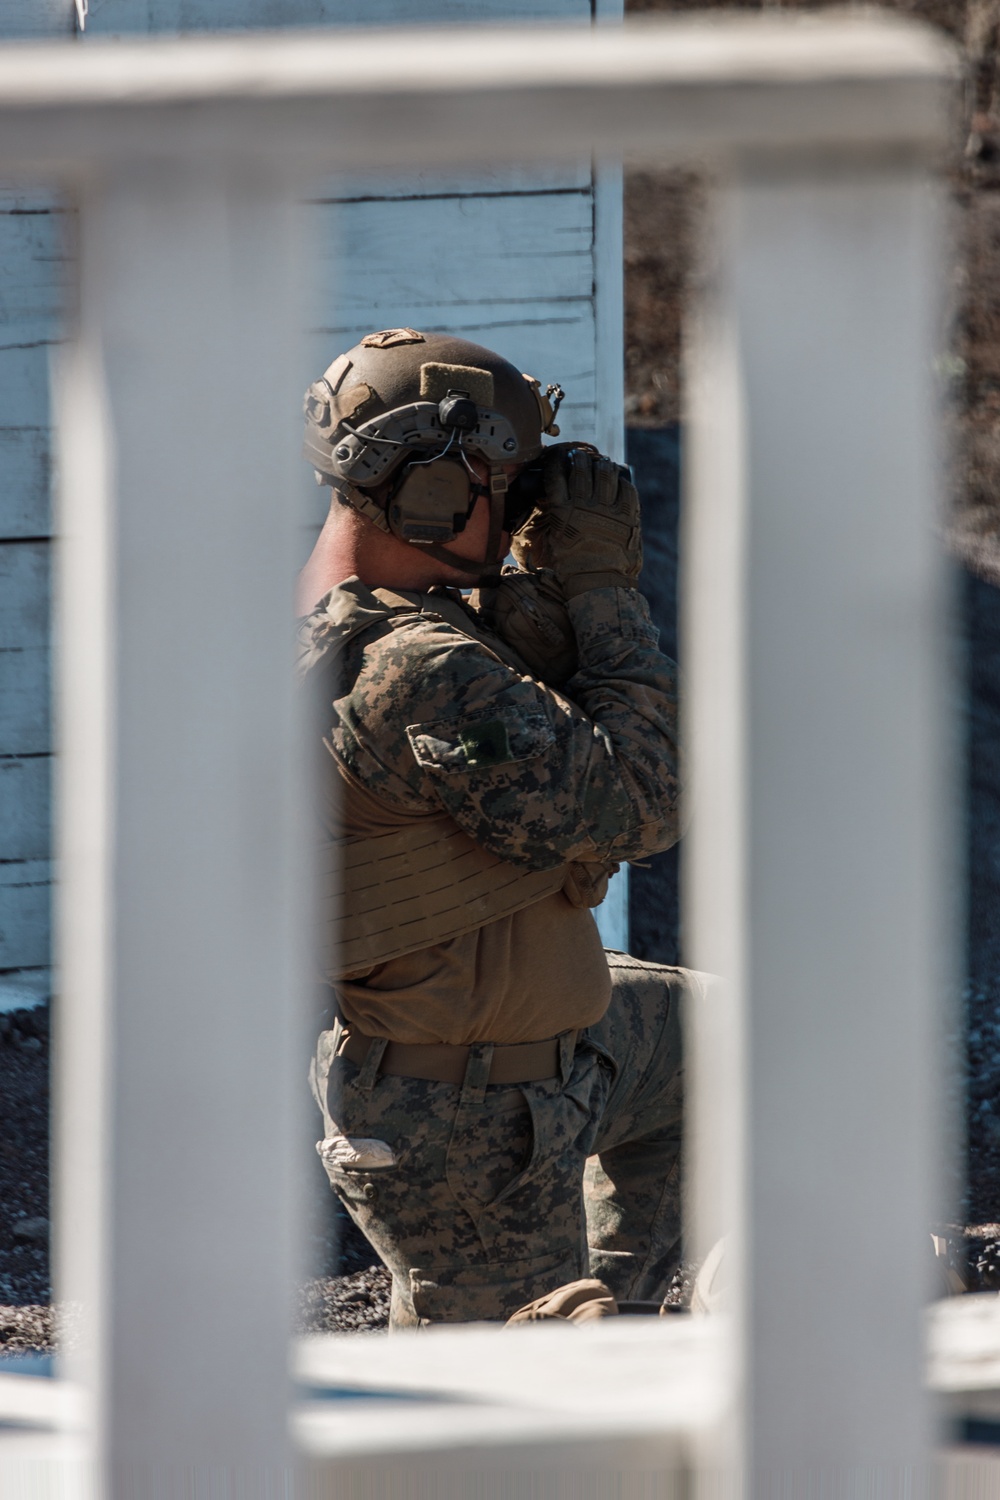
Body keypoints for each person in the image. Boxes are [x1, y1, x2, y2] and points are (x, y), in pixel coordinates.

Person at [298, 327, 693, 1328]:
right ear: (426, 486)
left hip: (538, 1054)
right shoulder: (418, 669)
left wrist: (537, 602)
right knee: (484, 1432)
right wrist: (603, 592)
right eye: (502, 482)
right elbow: (643, 805)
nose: (521, 506)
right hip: (468, 1130)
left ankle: (626, 1324)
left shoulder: (379, 617)